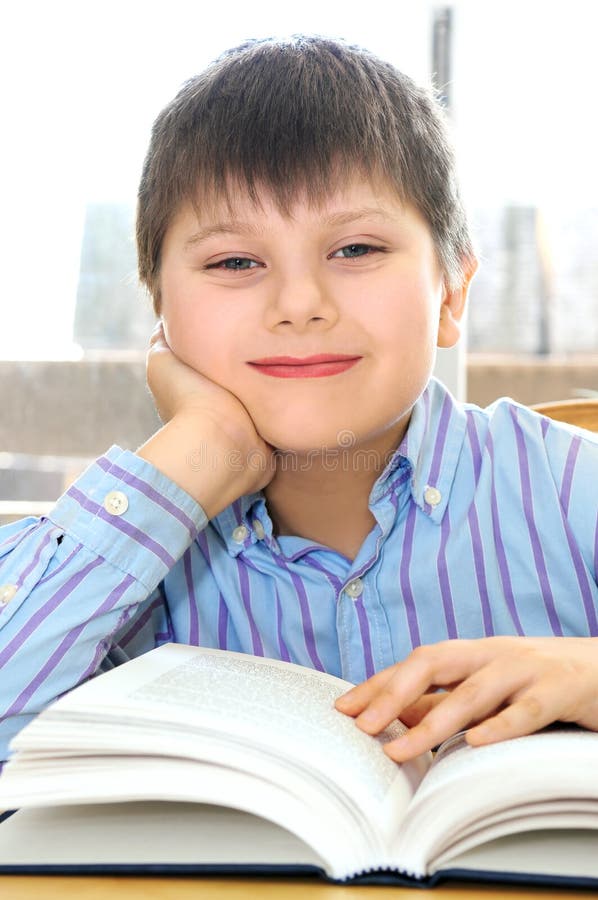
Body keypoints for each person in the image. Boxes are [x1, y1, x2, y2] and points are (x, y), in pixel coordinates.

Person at [1, 35, 598, 774]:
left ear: (451, 292)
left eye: (355, 250)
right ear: (162, 314)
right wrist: (199, 451)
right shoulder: (125, 552)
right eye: (235, 262)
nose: (299, 304)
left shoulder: (577, 492)